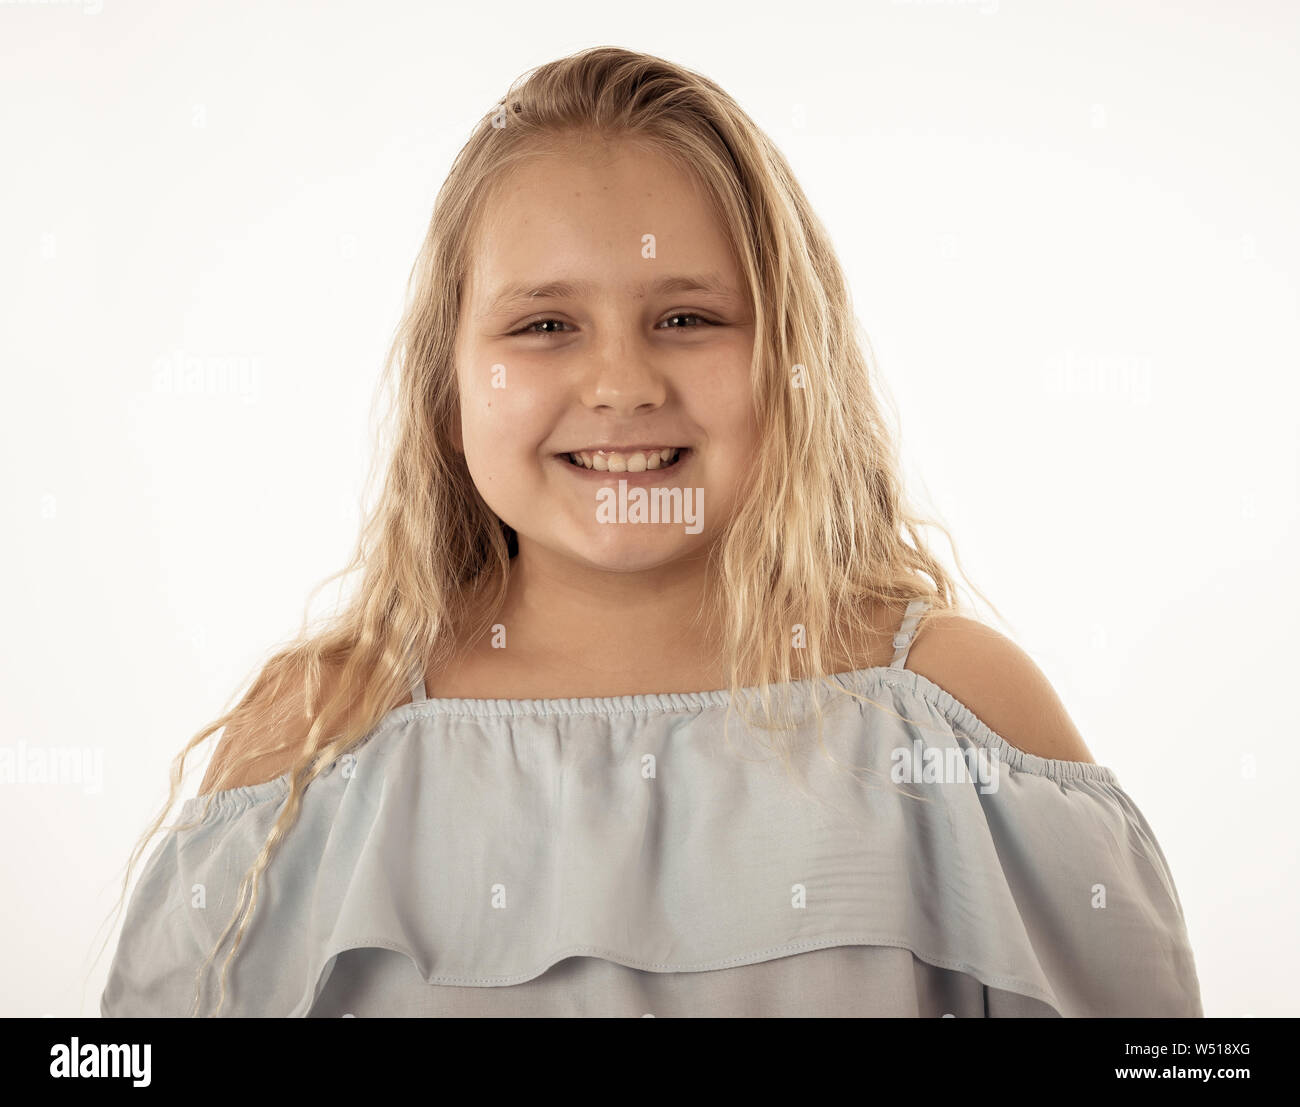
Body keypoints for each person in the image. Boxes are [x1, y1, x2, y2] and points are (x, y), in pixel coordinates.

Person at [98, 46, 1201, 1017]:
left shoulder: (959, 718)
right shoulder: (310, 744)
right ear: (449, 389)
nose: (622, 383)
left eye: (686, 318)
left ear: (792, 367)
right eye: (543, 325)